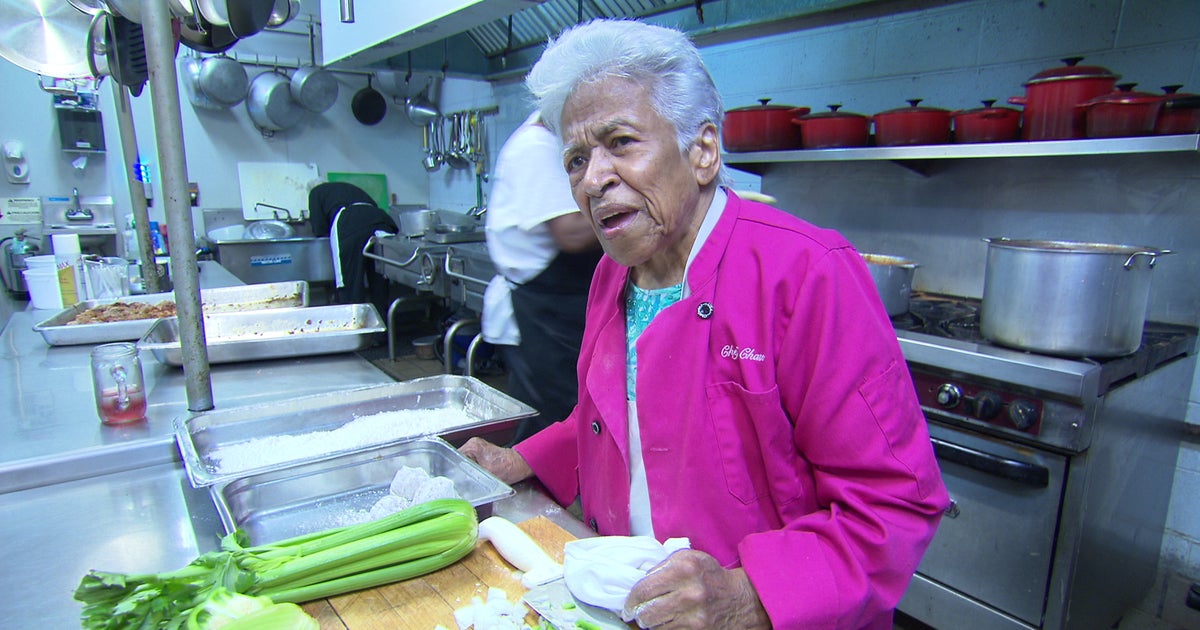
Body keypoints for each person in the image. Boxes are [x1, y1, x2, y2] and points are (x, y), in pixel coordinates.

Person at [460, 19, 949, 629]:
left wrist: (752, 595)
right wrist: (527, 459)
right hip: (632, 607)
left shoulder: (805, 273)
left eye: (621, 142)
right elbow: (619, 418)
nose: (592, 179)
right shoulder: (615, 273)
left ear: (703, 151)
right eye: (577, 158)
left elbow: (895, 503)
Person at [483, 110, 602, 444]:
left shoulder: (547, 143)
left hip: (557, 309)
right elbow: (571, 233)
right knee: (552, 424)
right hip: (542, 317)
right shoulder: (537, 146)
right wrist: (640, 210)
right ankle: (542, 495)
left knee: (554, 420)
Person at [307, 181, 397, 318]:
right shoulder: (348, 187)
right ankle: (383, 333)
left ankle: (357, 329)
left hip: (350, 222)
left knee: (351, 283)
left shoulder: (316, 192)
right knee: (380, 279)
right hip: (380, 220)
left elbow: (318, 227)